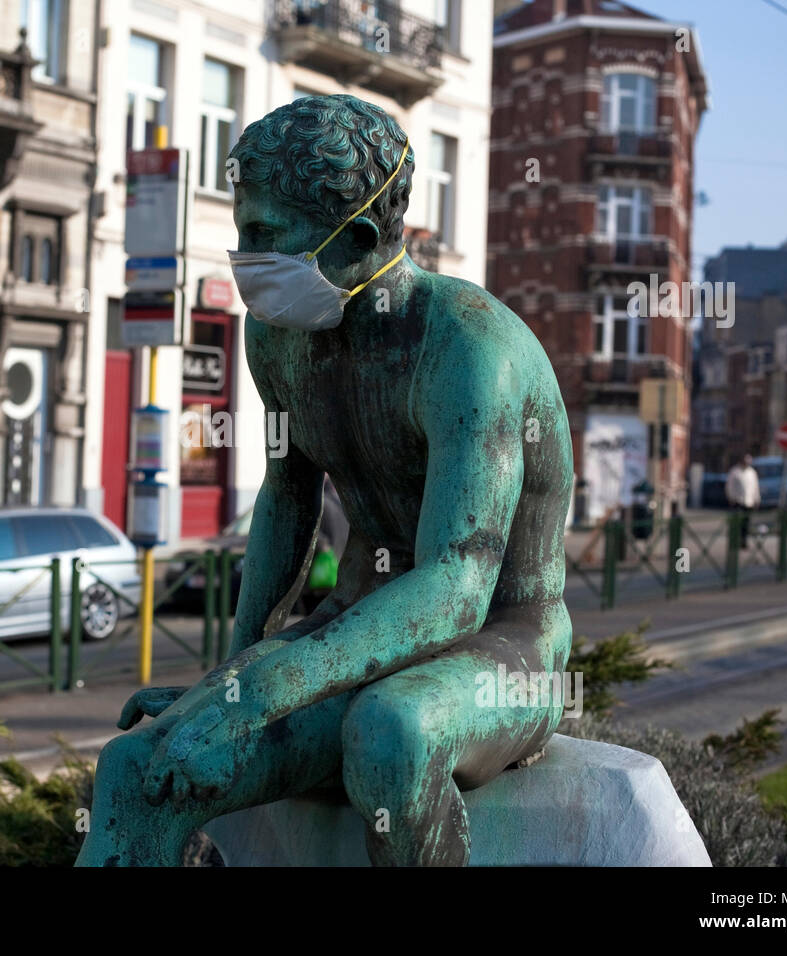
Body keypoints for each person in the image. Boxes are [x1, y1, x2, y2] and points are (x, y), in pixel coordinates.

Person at [78, 94, 573, 866]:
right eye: (243, 230)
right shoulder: (277, 336)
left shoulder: (471, 349)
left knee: (392, 734)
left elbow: (456, 587)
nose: (244, 255)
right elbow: (286, 497)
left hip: (508, 643)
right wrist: (229, 680)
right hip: (359, 626)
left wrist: (267, 689)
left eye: (265, 235)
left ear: (362, 239)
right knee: (139, 768)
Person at [725, 453, 761, 548]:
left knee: (746, 524)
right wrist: (731, 498)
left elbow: (755, 487)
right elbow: (729, 486)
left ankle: (743, 542)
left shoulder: (752, 472)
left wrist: (757, 498)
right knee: (736, 524)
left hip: (749, 502)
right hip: (738, 501)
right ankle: (734, 542)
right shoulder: (735, 472)